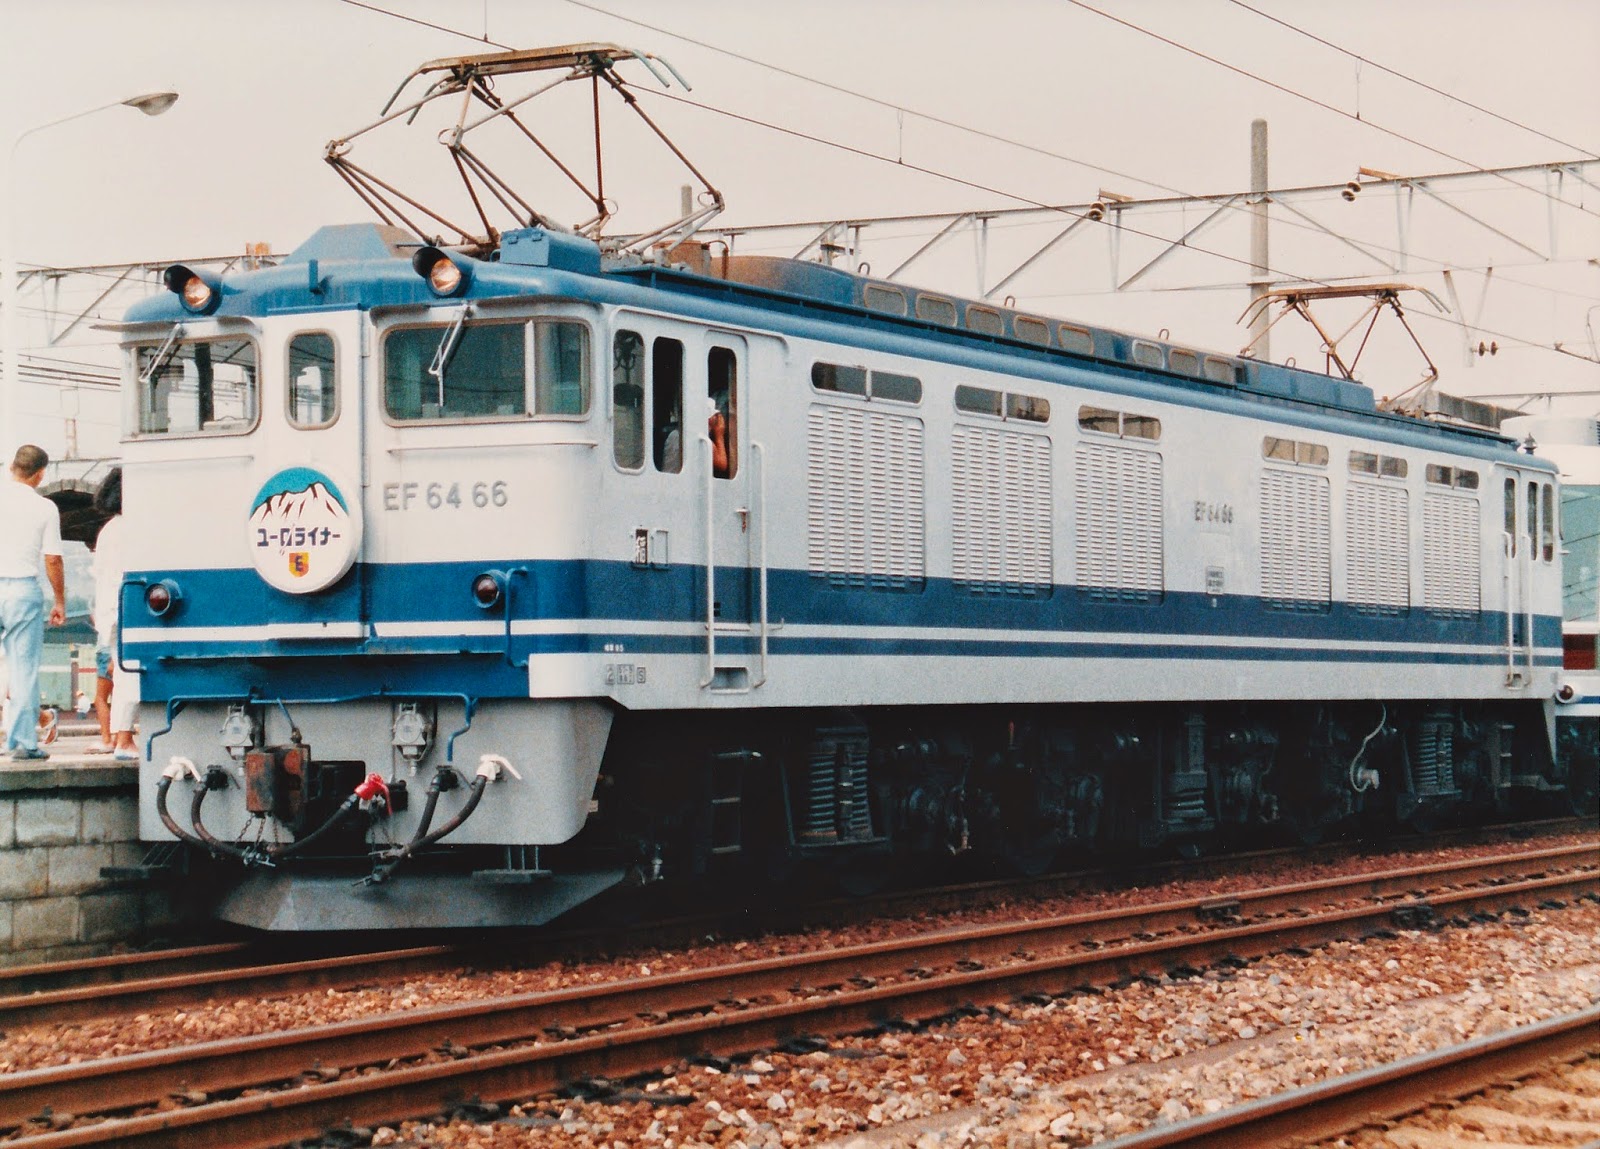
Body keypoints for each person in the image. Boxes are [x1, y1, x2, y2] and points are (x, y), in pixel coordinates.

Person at [0, 445, 66, 761]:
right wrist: (60, 601)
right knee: (23, 668)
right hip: (21, 591)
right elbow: (52, 559)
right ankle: (22, 743)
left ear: (12, 467)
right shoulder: (44, 507)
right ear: (40, 474)